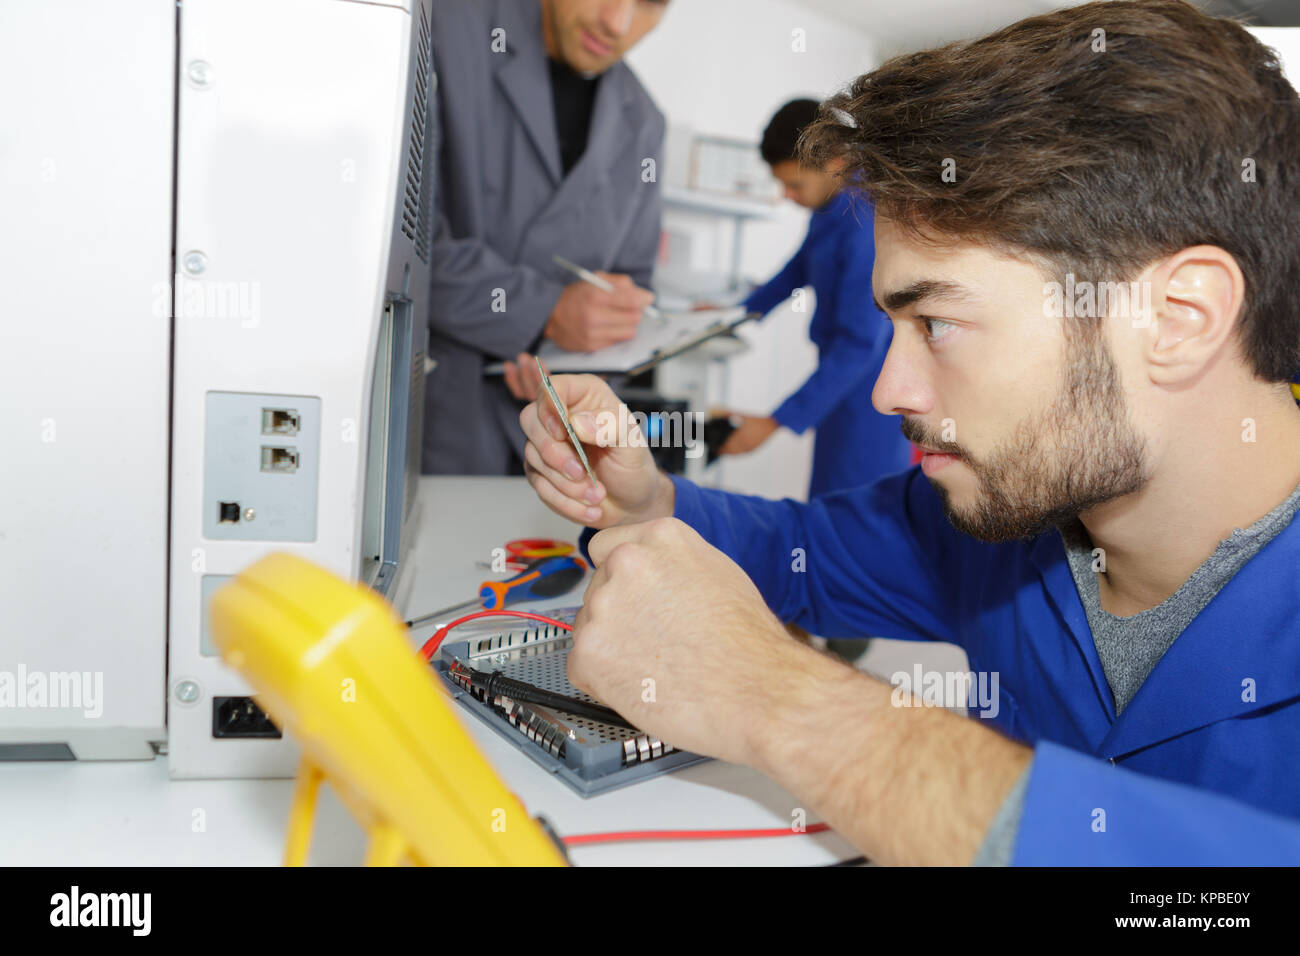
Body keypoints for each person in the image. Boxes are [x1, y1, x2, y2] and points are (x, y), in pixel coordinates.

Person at [516, 0, 1300, 864]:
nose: (890, 391)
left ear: (1178, 318)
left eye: (940, 323)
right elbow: (799, 550)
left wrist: (789, 702)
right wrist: (649, 496)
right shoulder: (1008, 523)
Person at [423, 0, 669, 475]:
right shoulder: (442, 31)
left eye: (651, 3)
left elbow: (631, 285)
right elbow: (394, 250)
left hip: (557, 446)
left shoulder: (644, 123)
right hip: (435, 418)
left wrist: (581, 356)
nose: (616, 22)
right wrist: (546, 312)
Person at [716, 99, 913, 498]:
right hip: (838, 383)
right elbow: (799, 268)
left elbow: (859, 345)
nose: (787, 196)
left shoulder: (864, 224)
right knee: (828, 498)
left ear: (835, 162)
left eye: (794, 185)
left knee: (853, 510)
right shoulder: (831, 208)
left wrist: (773, 423)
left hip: (867, 391)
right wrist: (736, 314)